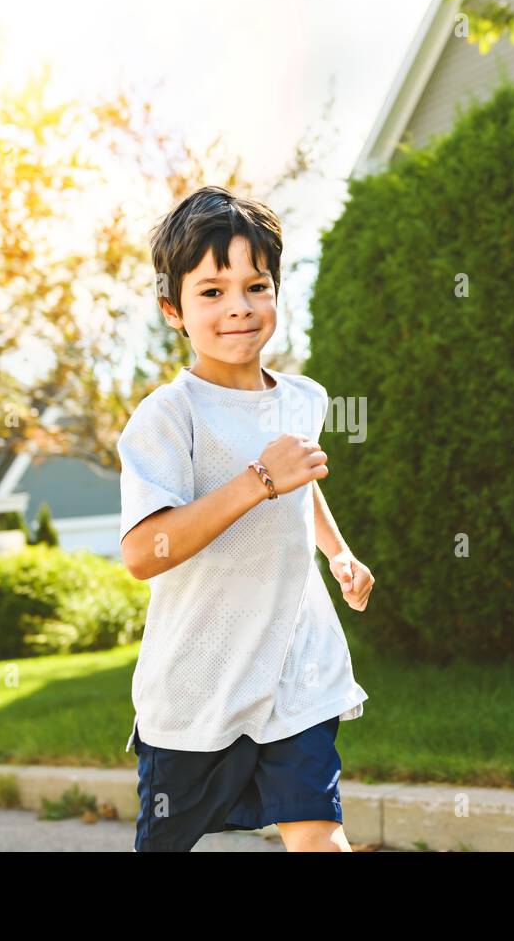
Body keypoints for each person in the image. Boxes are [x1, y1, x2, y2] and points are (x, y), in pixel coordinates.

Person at [118, 185, 374, 852]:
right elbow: (146, 551)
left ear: (277, 292)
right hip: (198, 683)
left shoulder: (304, 399)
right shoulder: (167, 418)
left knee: (319, 835)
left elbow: (302, 486)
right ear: (173, 308)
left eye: (255, 286)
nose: (238, 307)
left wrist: (338, 553)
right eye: (211, 292)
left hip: (296, 668)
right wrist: (257, 480)